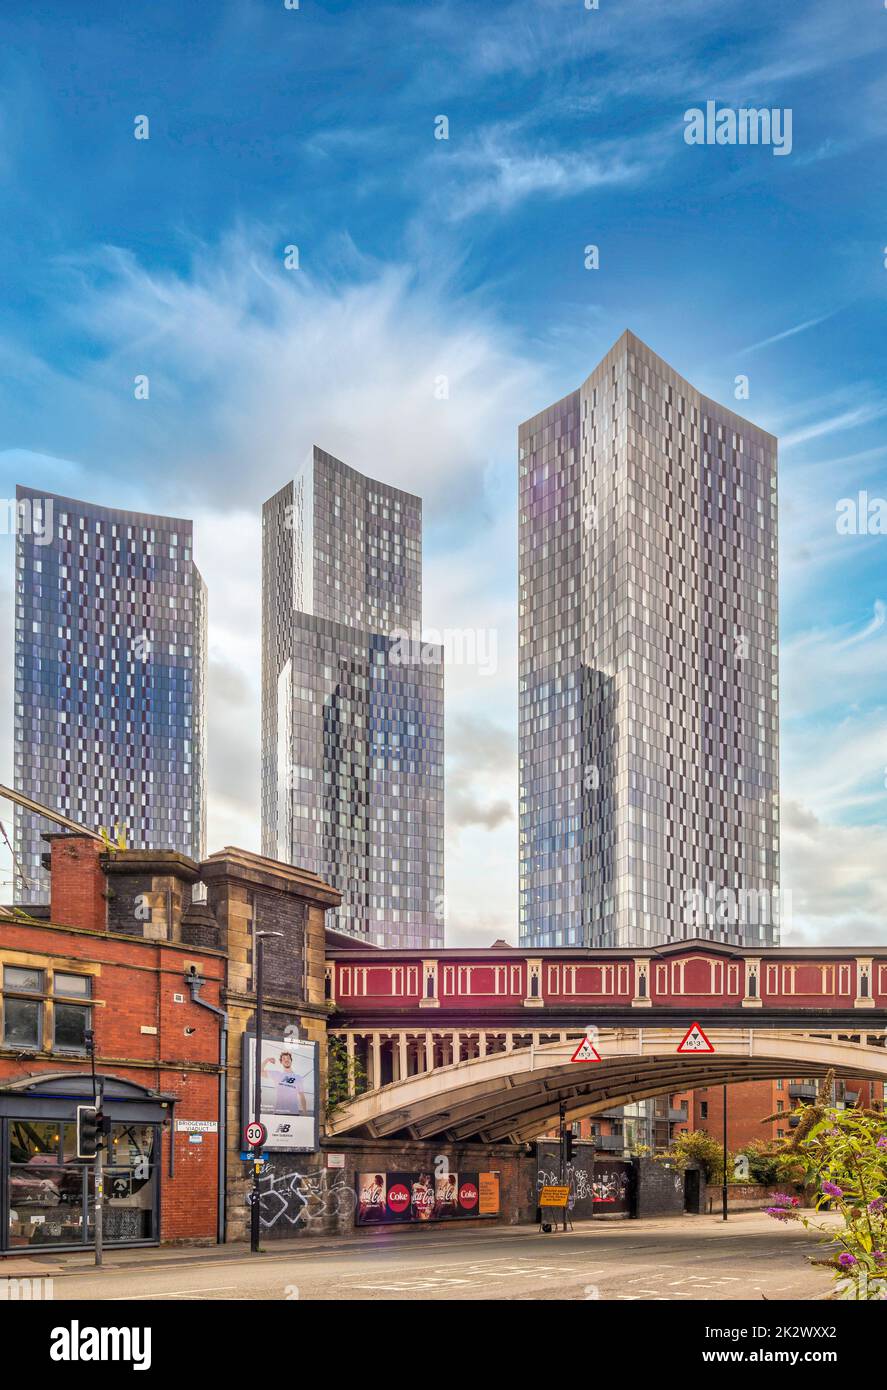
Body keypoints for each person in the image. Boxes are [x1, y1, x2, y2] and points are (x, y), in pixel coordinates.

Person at [261, 1050, 307, 1116]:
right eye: (284, 1059)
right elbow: (259, 1072)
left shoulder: (298, 1077)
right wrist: (267, 1060)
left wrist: (305, 1113)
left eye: (288, 1058)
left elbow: (302, 1096)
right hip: (278, 1112)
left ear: (291, 1060)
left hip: (293, 1113)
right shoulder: (277, 1074)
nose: (286, 1060)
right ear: (281, 1062)